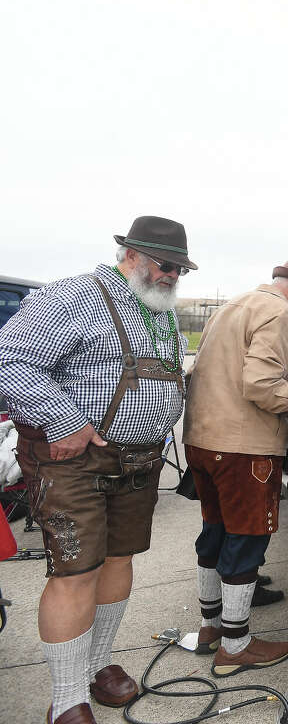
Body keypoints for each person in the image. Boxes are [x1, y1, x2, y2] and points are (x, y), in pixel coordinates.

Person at [0, 216, 196, 724]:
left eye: (180, 269)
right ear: (130, 255)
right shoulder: (74, 296)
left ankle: (96, 664)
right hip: (74, 462)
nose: (172, 275)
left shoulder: (161, 313)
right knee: (76, 572)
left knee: (118, 560)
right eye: (165, 264)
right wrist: (63, 420)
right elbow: (9, 360)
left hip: (139, 460)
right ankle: (67, 698)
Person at [182, 258, 288, 676]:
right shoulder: (281, 313)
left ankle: (211, 627)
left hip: (203, 440)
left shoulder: (233, 305)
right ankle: (235, 647)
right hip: (243, 447)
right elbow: (262, 384)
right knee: (246, 540)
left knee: (214, 532)